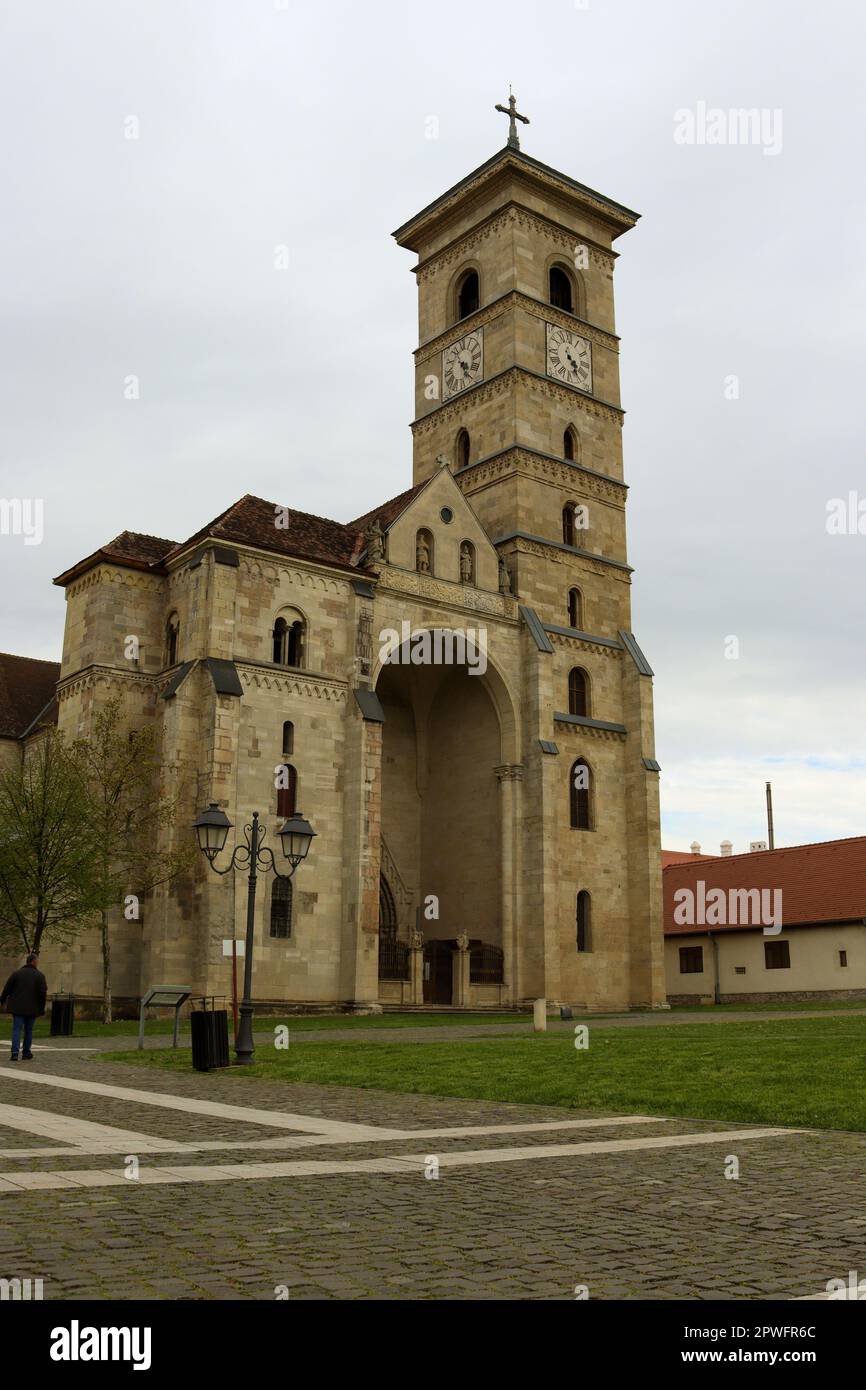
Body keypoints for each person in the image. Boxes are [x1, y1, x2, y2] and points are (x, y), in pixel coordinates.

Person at [1, 952, 48, 1061]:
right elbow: (42, 993)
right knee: (28, 1030)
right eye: (37, 961)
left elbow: (7, 989)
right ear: (34, 962)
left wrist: (2, 1000)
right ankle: (26, 1052)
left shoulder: (16, 974)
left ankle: (14, 1052)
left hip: (17, 1007)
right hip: (32, 1008)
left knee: (16, 1029)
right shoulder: (40, 976)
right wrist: (41, 1008)